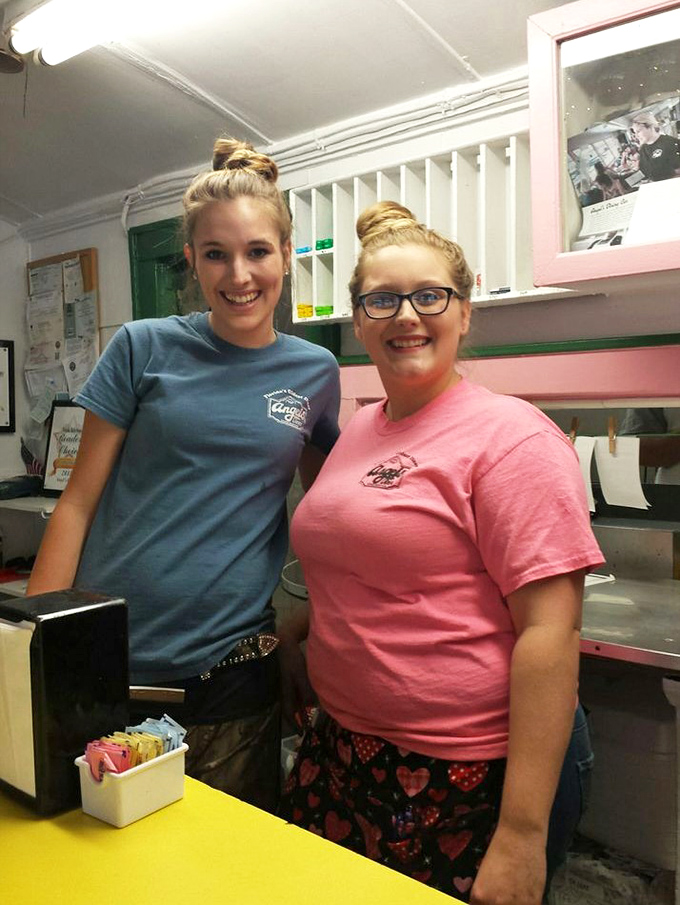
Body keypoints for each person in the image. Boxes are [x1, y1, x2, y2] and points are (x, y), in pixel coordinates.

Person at [278, 201, 603, 903]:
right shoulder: (360, 427)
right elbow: (357, 557)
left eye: (430, 295)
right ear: (358, 320)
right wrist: (303, 636)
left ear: (463, 311)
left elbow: (553, 632)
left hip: (464, 770)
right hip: (342, 749)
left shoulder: (512, 438)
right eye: (382, 300)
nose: (406, 316)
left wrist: (520, 833)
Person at [26, 137, 341, 813]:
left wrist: (316, 621)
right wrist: (33, 648)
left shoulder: (315, 374)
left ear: (287, 254)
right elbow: (77, 503)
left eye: (258, 251)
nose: (240, 275)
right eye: (216, 254)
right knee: (104, 855)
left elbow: (332, 512)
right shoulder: (142, 346)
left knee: (228, 864)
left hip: (232, 673)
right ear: (192, 261)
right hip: (114, 664)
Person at [630, 112, 680, 182]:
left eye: (638, 131)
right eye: (635, 132)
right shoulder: (643, 149)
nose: (636, 136)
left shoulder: (670, 143)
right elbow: (644, 173)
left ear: (650, 127)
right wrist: (626, 183)